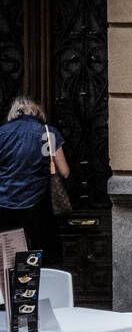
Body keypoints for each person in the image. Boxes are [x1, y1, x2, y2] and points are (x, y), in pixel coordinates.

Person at [0, 97, 70, 265]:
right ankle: (36, 290)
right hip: (37, 205)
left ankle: (10, 290)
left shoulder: (2, 133)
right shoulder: (48, 133)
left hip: (3, 205)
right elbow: (64, 172)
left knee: (8, 256)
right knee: (42, 254)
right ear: (37, 112)